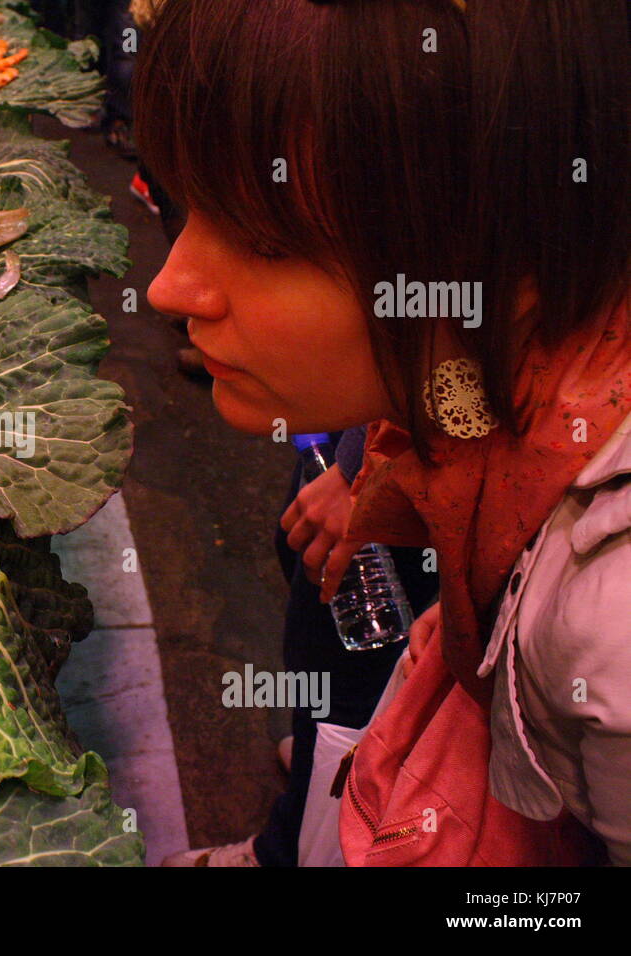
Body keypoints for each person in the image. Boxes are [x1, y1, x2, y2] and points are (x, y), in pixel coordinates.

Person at [136, 0, 630, 865]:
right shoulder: (488, 375)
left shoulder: (604, 629)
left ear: (505, 251)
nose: (170, 289)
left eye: (263, 239)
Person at [165, 427, 438, 865]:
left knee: (339, 665)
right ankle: (319, 764)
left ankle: (290, 843)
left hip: (402, 447)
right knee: (298, 550)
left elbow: (447, 366)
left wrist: (358, 473)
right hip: (363, 430)